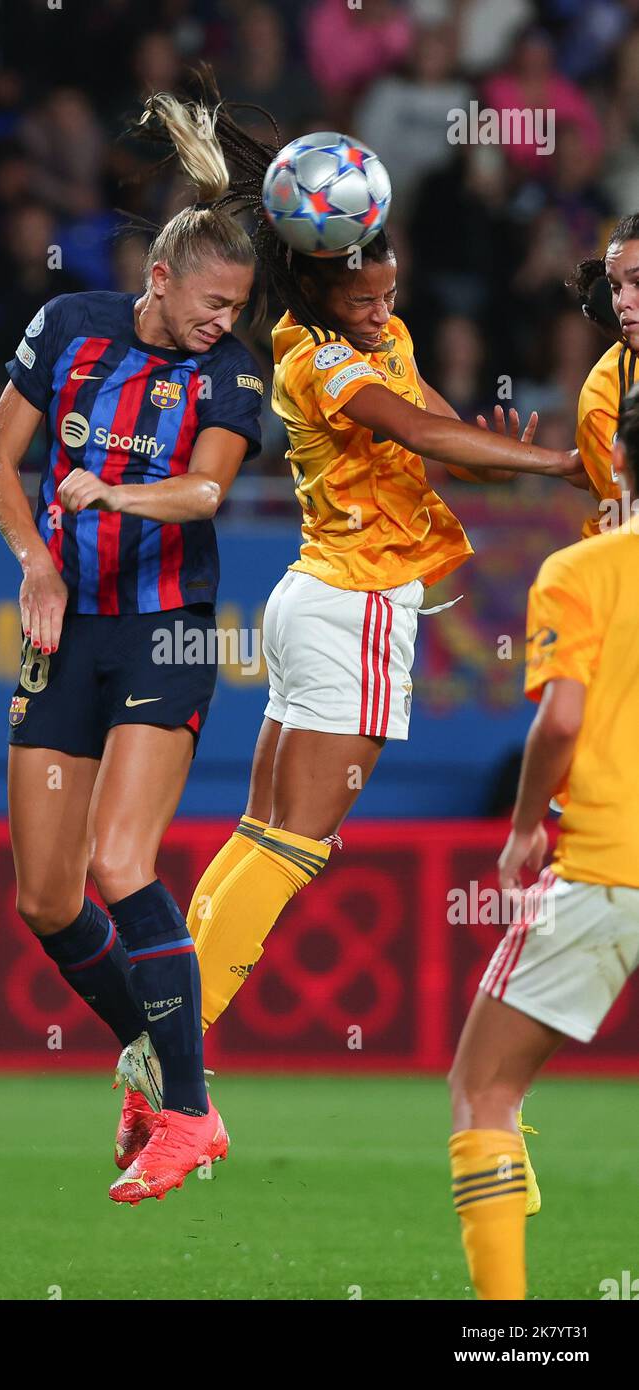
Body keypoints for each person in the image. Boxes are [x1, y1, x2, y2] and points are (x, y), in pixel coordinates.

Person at [115, 90, 585, 1210]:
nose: (381, 309)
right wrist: (560, 464)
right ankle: (173, 1089)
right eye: (363, 295)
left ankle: (156, 1064)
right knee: (293, 849)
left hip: (312, 598)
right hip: (359, 606)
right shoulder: (314, 360)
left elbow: (437, 434)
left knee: (262, 837)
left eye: (389, 292)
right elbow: (418, 428)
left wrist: (497, 453)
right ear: (320, 284)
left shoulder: (352, 334)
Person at [0, 94, 264, 1205]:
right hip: (65, 627)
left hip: (166, 629)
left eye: (235, 306)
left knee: (119, 862)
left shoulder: (227, 374)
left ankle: (190, 1110)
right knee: (46, 898)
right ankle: (154, 1057)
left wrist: (113, 492)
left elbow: (204, 490)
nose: (220, 320)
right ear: (156, 280)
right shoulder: (67, 328)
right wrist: (33, 562)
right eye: (209, 301)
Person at [447, 381, 639, 1300]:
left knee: (484, 1088)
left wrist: (525, 823)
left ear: (621, 464)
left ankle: (508, 1329)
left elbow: (560, 723)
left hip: (610, 866)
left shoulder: (583, 569)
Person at [572, 212, 639, 536]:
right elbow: (631, 512)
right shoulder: (606, 394)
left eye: (638, 283)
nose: (624, 302)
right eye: (615, 287)